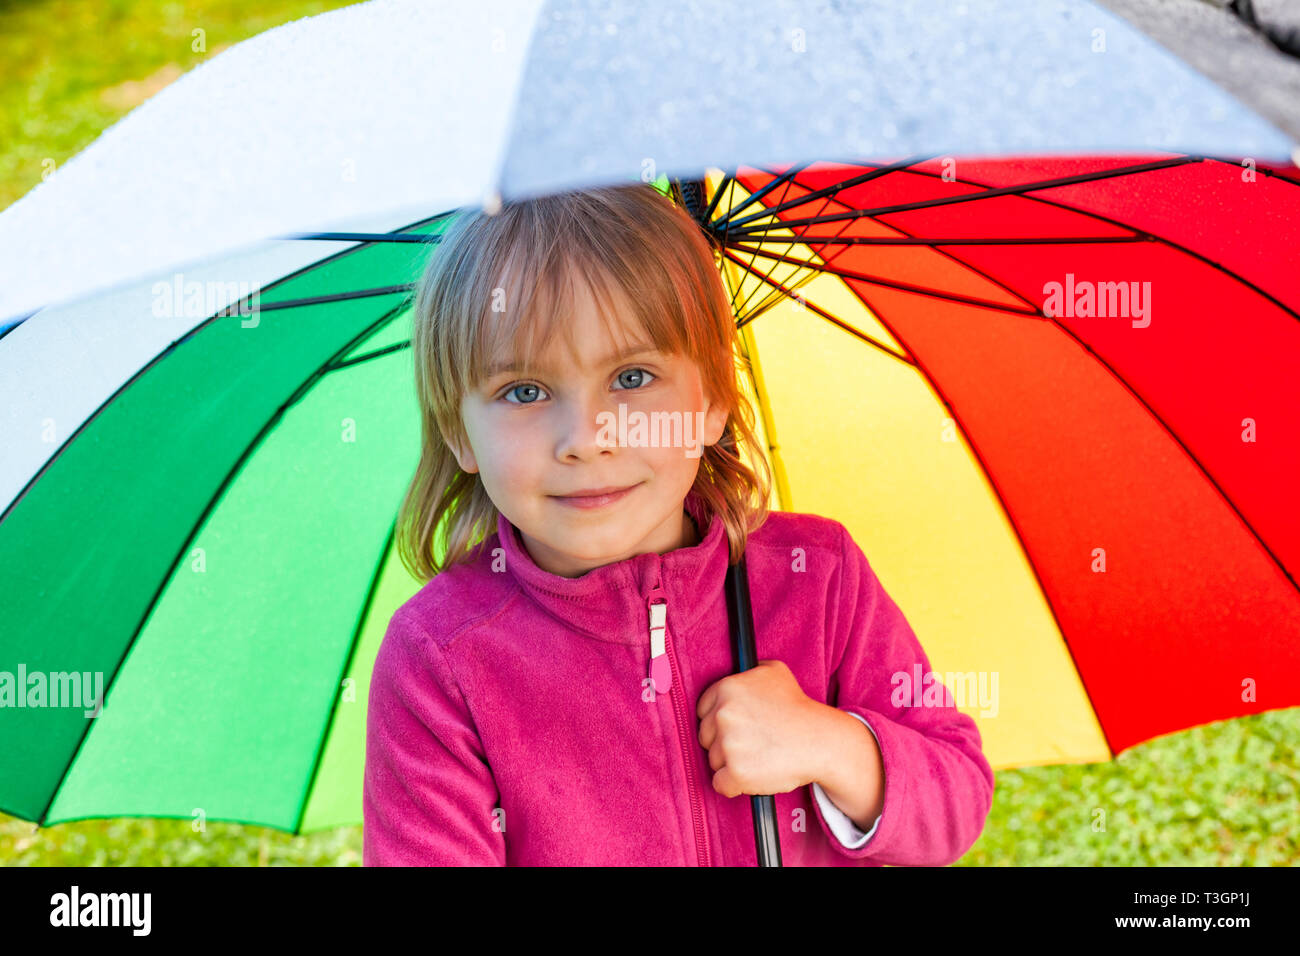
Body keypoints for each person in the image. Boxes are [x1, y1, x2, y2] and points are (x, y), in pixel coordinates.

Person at [362, 181, 993, 865]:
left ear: (714, 397)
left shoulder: (820, 577)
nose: (588, 437)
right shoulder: (440, 659)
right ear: (458, 431)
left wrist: (830, 742)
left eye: (632, 377)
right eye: (524, 391)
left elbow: (955, 801)